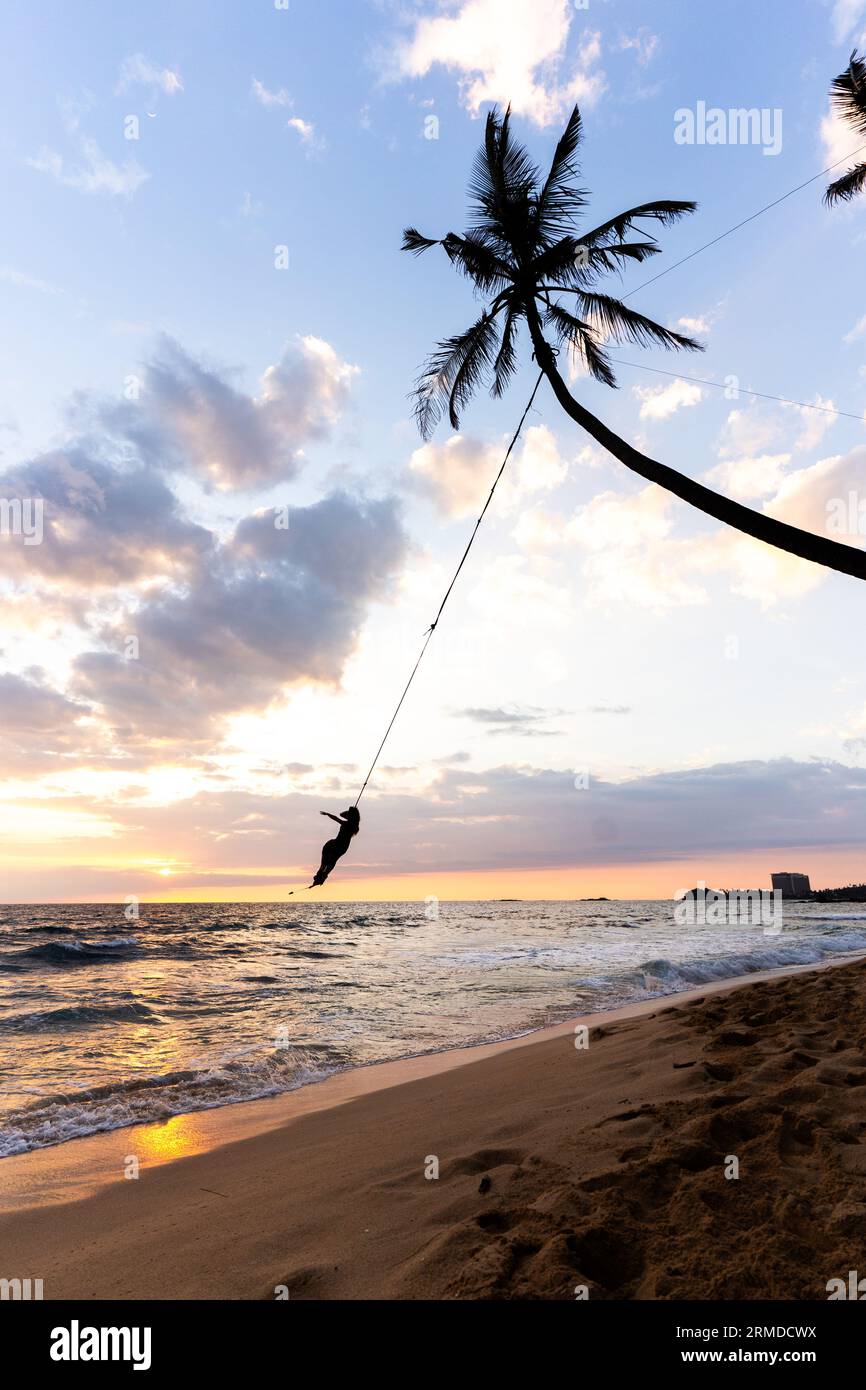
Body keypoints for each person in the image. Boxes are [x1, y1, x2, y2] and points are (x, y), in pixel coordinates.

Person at [308, 806, 360, 888]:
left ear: (351, 815)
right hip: (343, 847)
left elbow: (338, 816)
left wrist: (328, 814)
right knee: (331, 863)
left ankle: (319, 877)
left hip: (337, 844)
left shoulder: (347, 824)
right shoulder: (355, 827)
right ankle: (321, 878)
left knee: (326, 863)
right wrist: (351, 813)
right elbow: (341, 815)